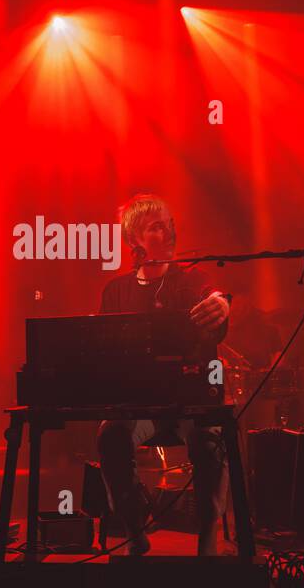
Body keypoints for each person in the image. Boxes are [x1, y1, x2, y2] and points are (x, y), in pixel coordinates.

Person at [96, 194, 232, 556]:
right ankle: (133, 529)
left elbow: (215, 296)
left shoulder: (192, 279)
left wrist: (222, 303)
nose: (169, 232)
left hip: (191, 406)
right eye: (157, 226)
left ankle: (208, 535)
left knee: (209, 442)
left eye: (170, 224)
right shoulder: (116, 291)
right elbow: (101, 353)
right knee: (111, 434)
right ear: (134, 240)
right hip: (140, 407)